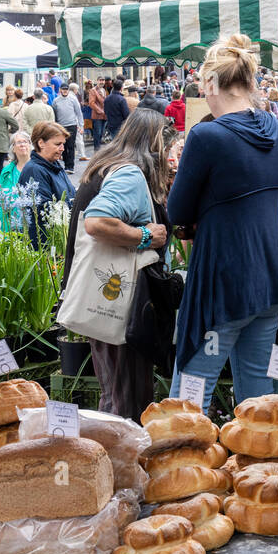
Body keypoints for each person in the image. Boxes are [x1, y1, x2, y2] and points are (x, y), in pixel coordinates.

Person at [166, 35, 278, 414]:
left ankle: (184, 473)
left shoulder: (207, 135)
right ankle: (265, 471)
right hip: (269, 278)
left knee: (189, 398)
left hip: (222, 285)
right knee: (257, 395)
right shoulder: (275, 127)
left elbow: (177, 212)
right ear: (249, 83)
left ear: (211, 85)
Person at [64, 108, 172, 422]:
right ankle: (124, 466)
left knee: (112, 392)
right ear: (155, 143)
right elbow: (97, 222)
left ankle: (107, 461)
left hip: (101, 296)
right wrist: (144, 236)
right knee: (128, 398)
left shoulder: (103, 165)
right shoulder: (130, 172)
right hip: (123, 303)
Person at [18, 121, 74, 248]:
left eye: (63, 144)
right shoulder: (34, 170)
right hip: (46, 244)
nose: (62, 149)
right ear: (41, 143)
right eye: (57, 144)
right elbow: (43, 209)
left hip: (60, 239)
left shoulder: (54, 164)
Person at [52, 83, 83, 173]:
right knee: (63, 146)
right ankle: (66, 165)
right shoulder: (56, 101)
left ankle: (71, 166)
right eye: (63, 89)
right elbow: (54, 114)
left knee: (71, 145)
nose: (65, 91)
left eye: (66, 89)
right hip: (61, 126)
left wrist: (81, 125)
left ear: (68, 90)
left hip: (72, 125)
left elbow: (79, 113)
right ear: (60, 90)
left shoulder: (73, 99)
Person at [86, 78, 107, 149]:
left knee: (101, 133)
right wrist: (100, 111)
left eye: (103, 80)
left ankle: (98, 148)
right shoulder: (93, 90)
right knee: (97, 133)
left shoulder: (104, 90)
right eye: (100, 80)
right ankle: (97, 148)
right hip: (97, 115)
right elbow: (91, 103)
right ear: (97, 81)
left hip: (104, 115)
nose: (102, 82)